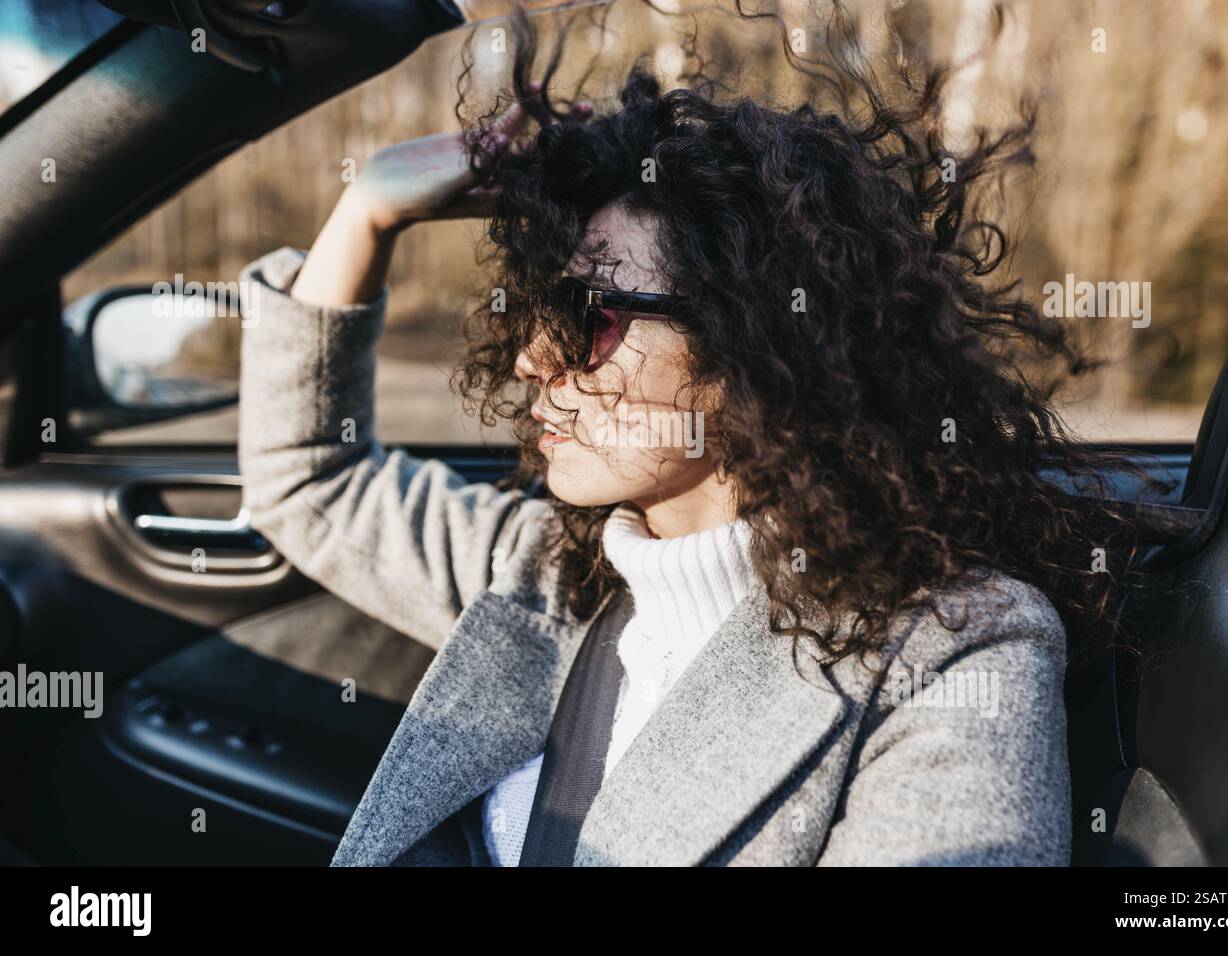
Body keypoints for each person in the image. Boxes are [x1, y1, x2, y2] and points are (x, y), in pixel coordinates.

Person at [236, 4, 1134, 866]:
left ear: (762, 342)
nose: (532, 361)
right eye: (541, 311)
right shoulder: (552, 571)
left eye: (587, 317)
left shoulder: (954, 648)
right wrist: (369, 211)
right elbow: (309, 481)